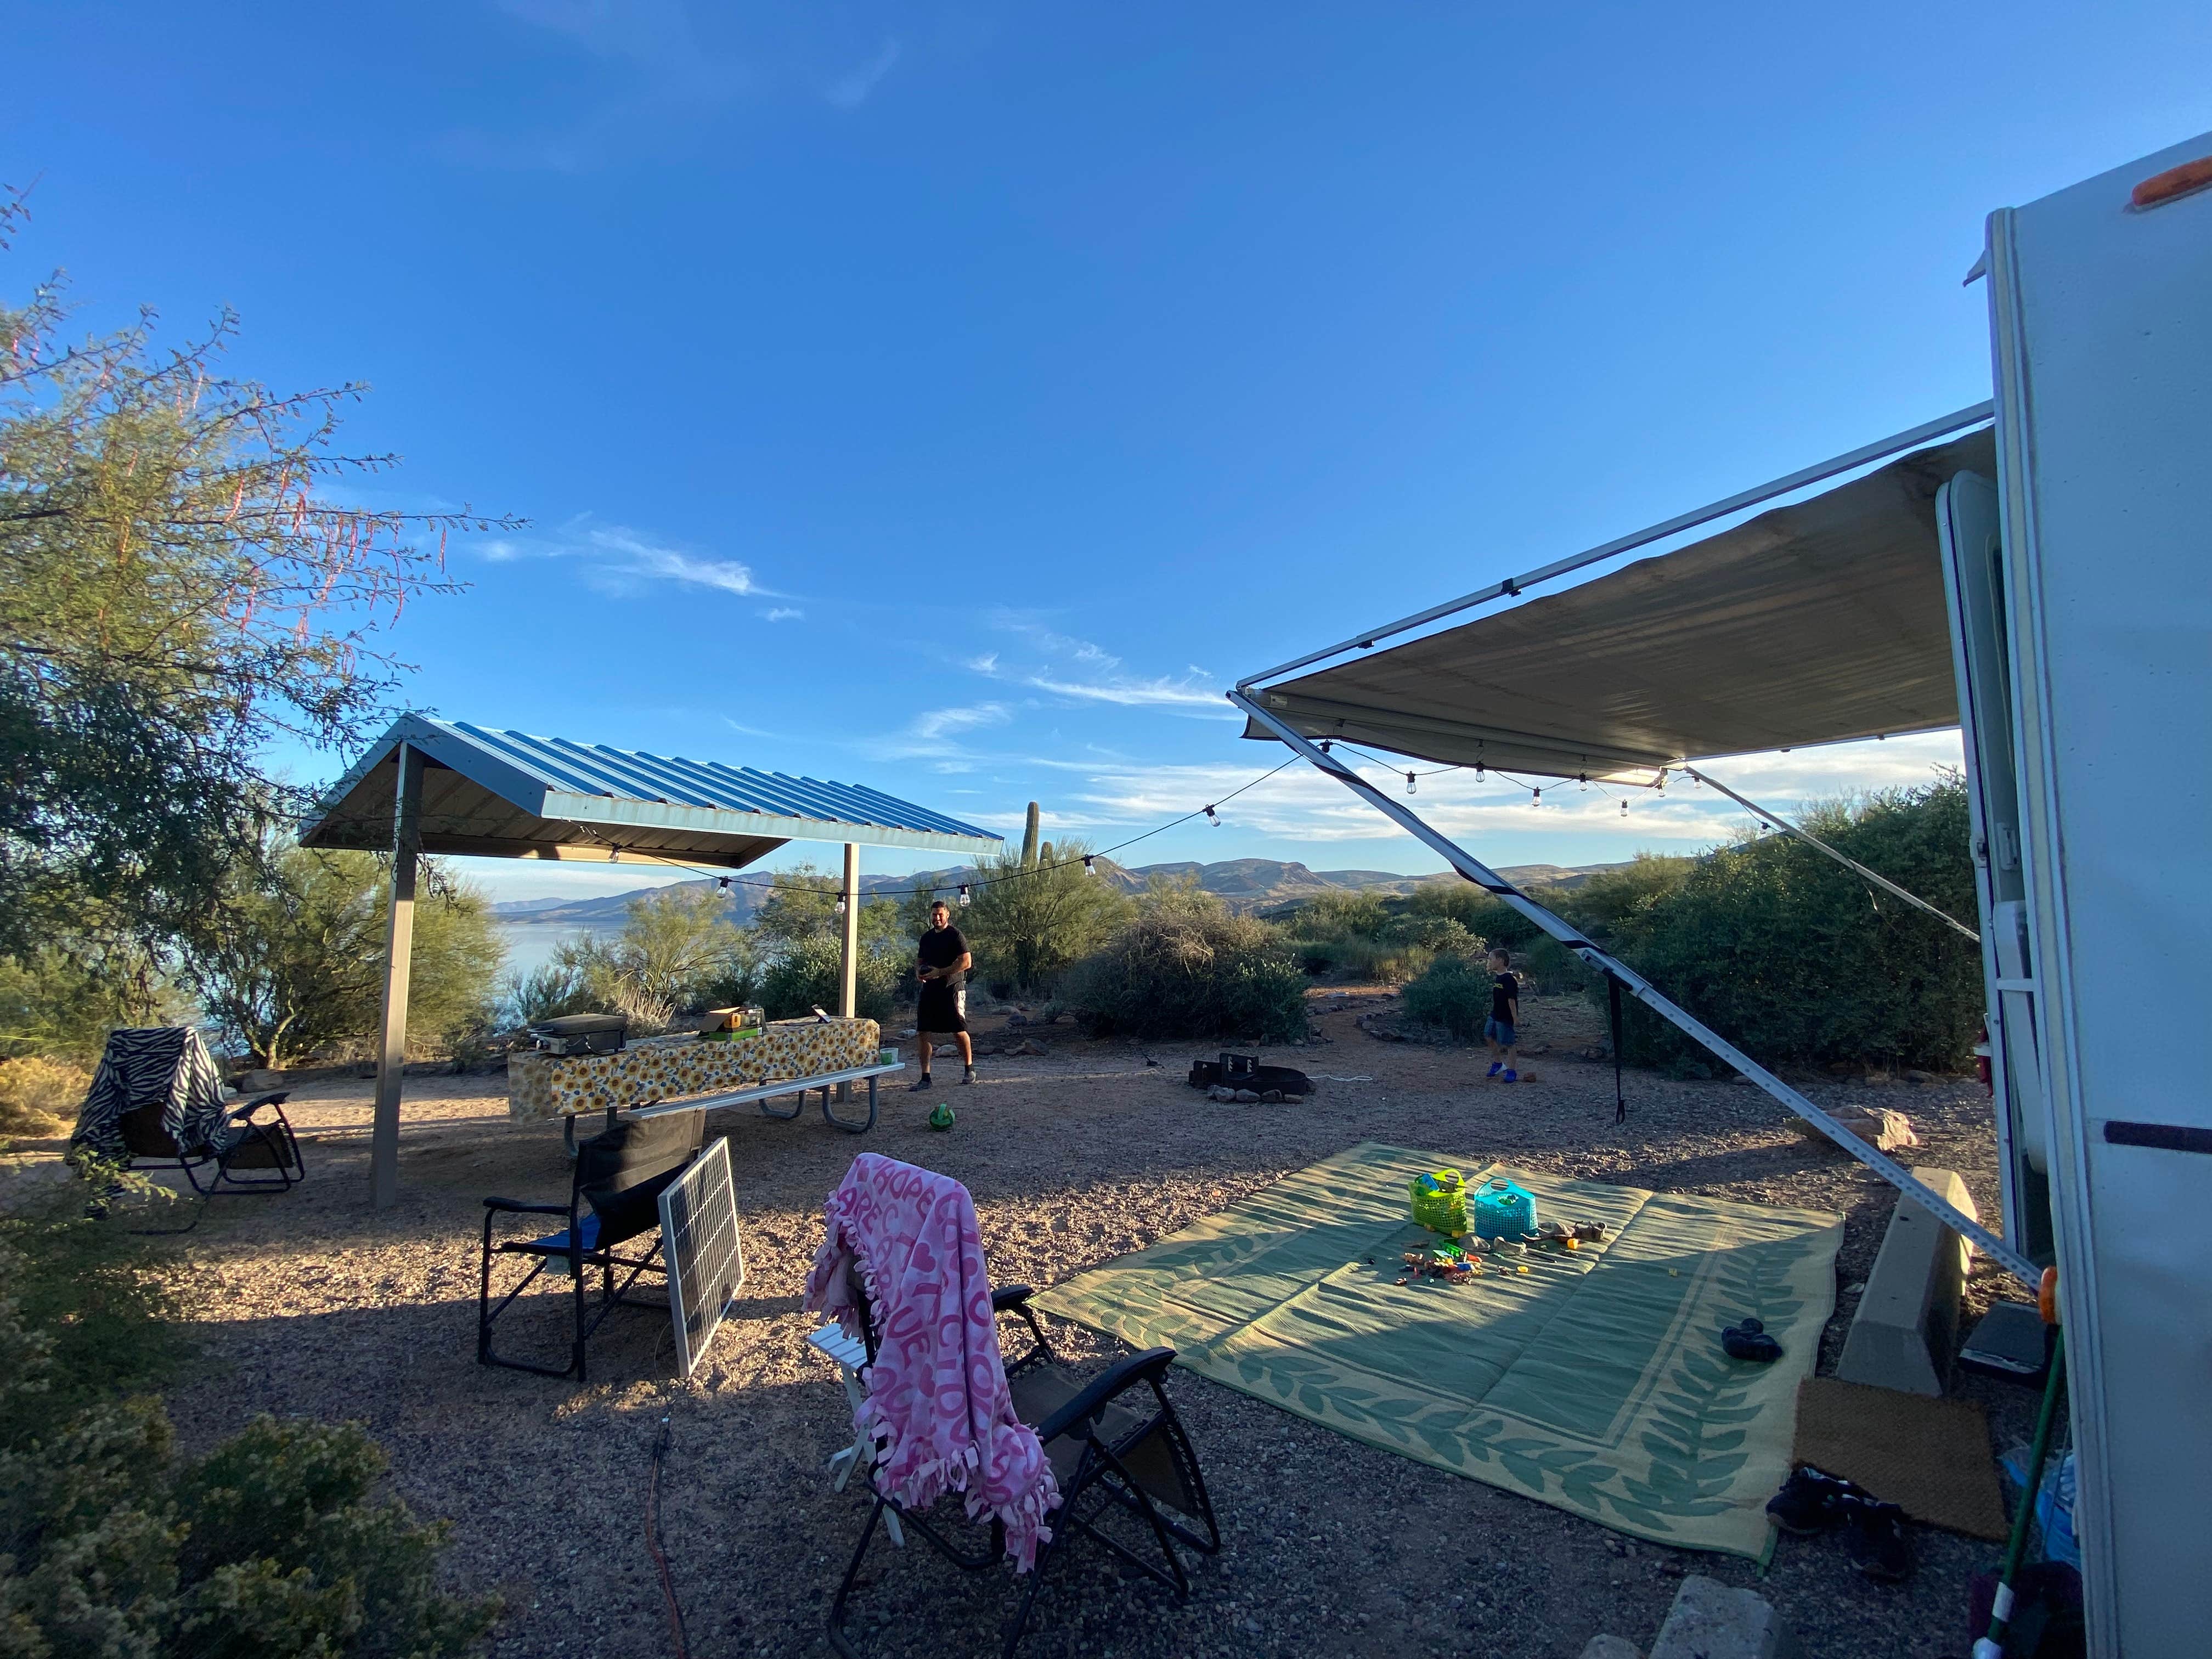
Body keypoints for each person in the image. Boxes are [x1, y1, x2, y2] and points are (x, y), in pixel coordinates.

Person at [913, 899, 975, 1090]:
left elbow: (966, 962)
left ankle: (969, 1070)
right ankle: (926, 1078)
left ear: (947, 914)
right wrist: (918, 972)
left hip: (952, 989)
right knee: (923, 1032)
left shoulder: (956, 936)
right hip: (930, 990)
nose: (937, 918)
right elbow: (920, 960)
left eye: (940, 914)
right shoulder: (927, 938)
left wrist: (940, 972)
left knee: (958, 1030)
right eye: (934, 915)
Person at [1484, 946, 1520, 1082]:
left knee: (1509, 1043)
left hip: (1506, 1016)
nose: (1489, 962)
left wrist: (1515, 1018)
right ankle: (1498, 1064)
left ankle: (1512, 1071)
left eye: (1491, 959)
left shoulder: (1509, 979)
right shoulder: (1498, 978)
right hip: (1495, 1014)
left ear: (1500, 960)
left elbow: (1512, 999)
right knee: (1488, 1035)